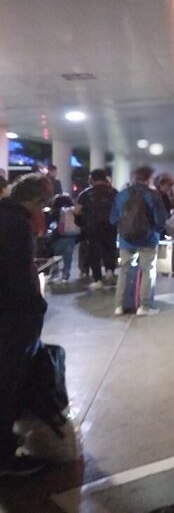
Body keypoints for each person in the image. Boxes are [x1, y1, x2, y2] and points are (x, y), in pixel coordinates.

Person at [0, 173, 53, 476]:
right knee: (9, 384)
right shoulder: (17, 224)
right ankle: (4, 457)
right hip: (13, 316)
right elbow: (19, 273)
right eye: (41, 205)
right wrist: (37, 305)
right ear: (33, 200)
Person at [110, 166, 167, 316]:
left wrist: (124, 230)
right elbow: (160, 220)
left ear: (134, 178)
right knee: (148, 270)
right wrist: (155, 231)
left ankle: (119, 306)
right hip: (148, 239)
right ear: (149, 179)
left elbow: (114, 219)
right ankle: (144, 306)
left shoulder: (122, 194)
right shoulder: (153, 195)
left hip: (126, 239)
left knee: (124, 270)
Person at [76, 169, 118, 289]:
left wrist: (81, 222)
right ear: (105, 178)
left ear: (92, 179)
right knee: (110, 248)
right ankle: (110, 271)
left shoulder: (85, 194)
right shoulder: (114, 192)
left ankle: (98, 279)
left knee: (94, 252)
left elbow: (77, 211)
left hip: (92, 227)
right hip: (111, 226)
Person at [48, 195, 80, 284]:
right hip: (71, 236)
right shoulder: (72, 210)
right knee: (68, 257)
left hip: (59, 236)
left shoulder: (55, 212)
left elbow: (52, 225)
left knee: (55, 256)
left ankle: (54, 273)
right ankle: (65, 275)